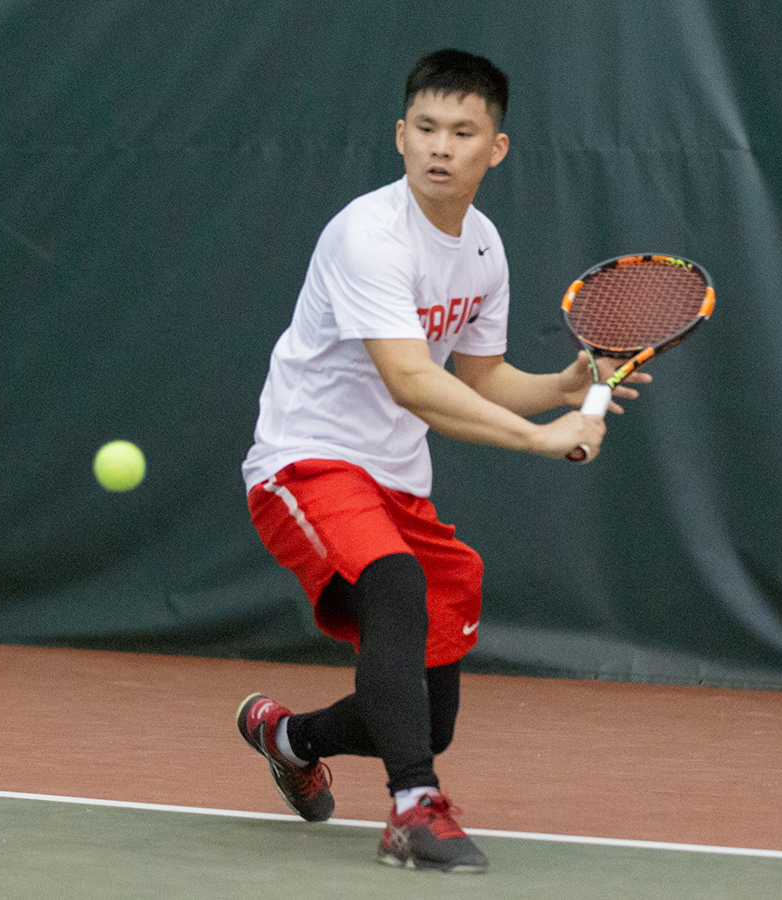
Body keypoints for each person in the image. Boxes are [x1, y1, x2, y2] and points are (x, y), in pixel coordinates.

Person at [235, 48, 647, 873]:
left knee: (432, 713)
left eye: (463, 132)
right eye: (425, 128)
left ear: (495, 148)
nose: (440, 146)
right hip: (307, 462)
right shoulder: (367, 235)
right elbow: (414, 381)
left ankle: (287, 736)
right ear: (399, 135)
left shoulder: (484, 248)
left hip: (395, 483)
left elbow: (483, 378)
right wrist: (542, 438)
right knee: (393, 583)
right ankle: (413, 808)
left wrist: (564, 386)